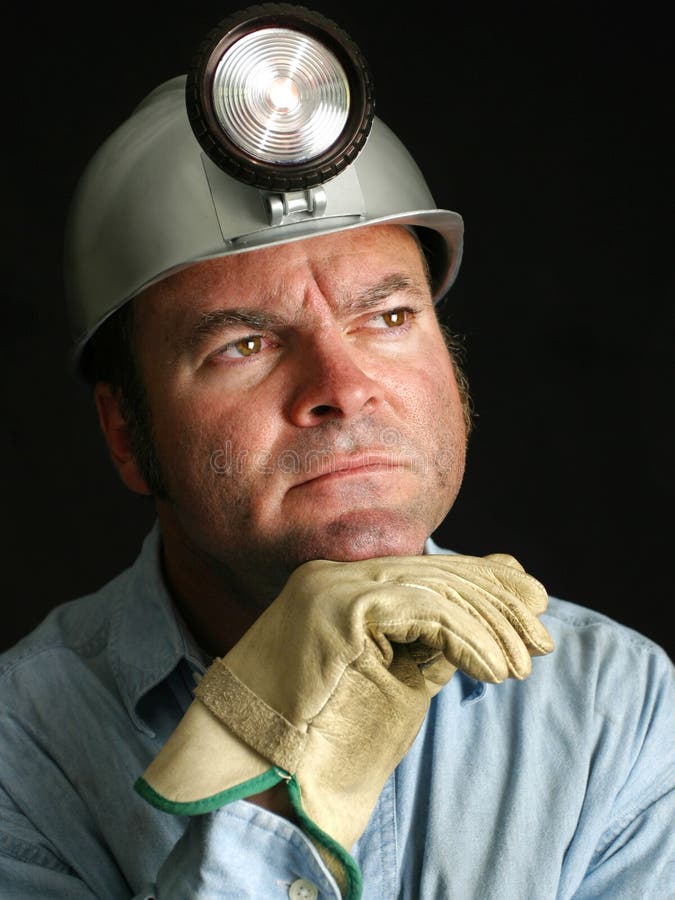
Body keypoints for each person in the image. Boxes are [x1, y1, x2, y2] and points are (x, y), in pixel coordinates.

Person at [1, 5, 673, 899]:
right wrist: (270, 742)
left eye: (389, 317)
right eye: (242, 344)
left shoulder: (614, 707)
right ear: (126, 432)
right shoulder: (20, 745)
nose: (343, 387)